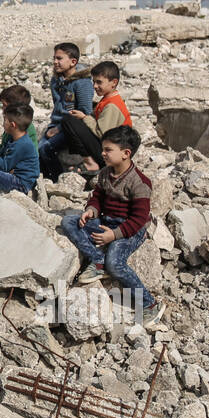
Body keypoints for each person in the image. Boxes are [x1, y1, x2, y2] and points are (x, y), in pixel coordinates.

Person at [61, 125, 164, 327]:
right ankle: (97, 259)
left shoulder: (139, 183)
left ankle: (149, 304)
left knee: (115, 264)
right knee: (68, 222)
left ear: (126, 153)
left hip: (130, 230)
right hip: (107, 221)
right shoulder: (106, 173)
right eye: (103, 149)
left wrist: (113, 236)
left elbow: (139, 218)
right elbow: (97, 197)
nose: (103, 153)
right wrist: (91, 210)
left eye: (108, 150)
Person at [59, 61, 132, 175]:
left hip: (111, 152)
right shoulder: (108, 99)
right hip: (110, 149)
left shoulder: (112, 105)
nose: (95, 86)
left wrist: (84, 117)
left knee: (68, 121)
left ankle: (90, 162)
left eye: (99, 82)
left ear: (113, 83)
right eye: (94, 82)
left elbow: (102, 132)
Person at [39, 43, 94, 180]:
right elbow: (57, 106)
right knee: (36, 150)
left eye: (59, 59)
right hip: (56, 123)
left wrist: (58, 129)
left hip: (72, 127)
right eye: (54, 58)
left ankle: (57, 178)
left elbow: (85, 111)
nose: (55, 62)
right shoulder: (56, 81)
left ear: (73, 62)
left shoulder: (82, 83)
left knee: (46, 148)